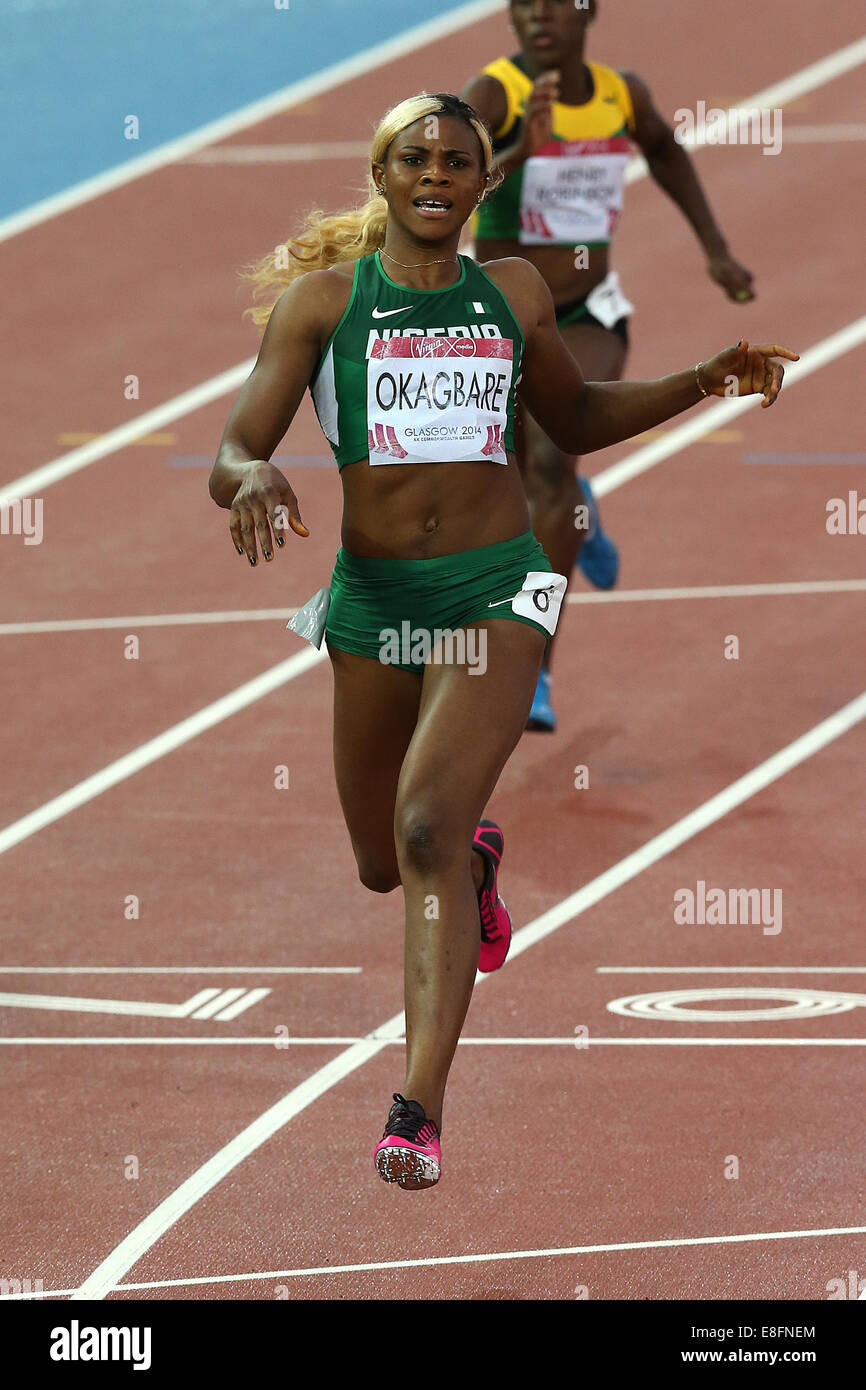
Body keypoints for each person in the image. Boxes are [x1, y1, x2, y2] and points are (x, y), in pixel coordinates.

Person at [208, 90, 794, 1191]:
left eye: (456, 160)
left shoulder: (512, 293)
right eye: (414, 157)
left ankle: (414, 1107)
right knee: (385, 863)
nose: (435, 173)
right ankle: (474, 867)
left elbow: (570, 422)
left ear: (485, 185)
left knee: (425, 822)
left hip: (491, 590)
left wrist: (701, 380)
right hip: (373, 602)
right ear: (381, 177)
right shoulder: (321, 305)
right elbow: (235, 443)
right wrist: (252, 476)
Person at [461, 0, 755, 730]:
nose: (537, 18)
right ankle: (580, 516)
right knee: (510, 481)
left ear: (586, 10)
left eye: (552, 4)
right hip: (499, 317)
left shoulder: (622, 95)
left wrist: (714, 248)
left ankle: (535, 672)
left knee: (549, 472)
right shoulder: (493, 95)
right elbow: (439, 192)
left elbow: (665, 150)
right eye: (521, 6)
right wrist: (517, 154)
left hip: (588, 312)